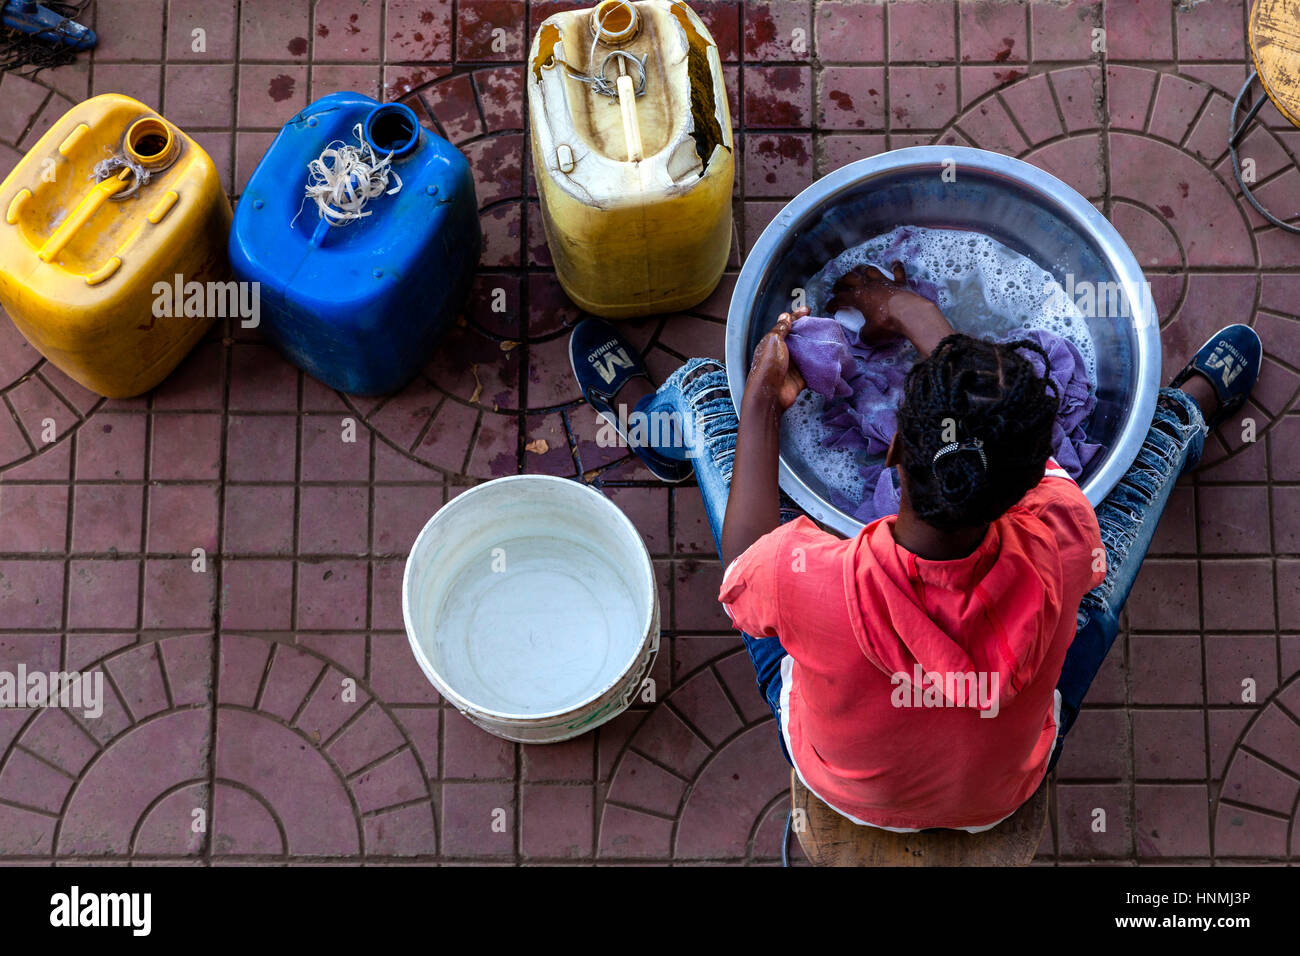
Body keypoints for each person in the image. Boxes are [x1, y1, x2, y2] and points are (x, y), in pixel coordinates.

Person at [568, 264, 1262, 832]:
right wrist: (901, 305)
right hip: (1001, 792)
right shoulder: (1063, 521)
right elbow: (1000, 426)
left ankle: (656, 423)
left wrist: (758, 405)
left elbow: (745, 569)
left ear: (893, 450)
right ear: (1033, 478)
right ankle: (1181, 416)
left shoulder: (809, 578)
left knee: (700, 388)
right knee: (1107, 556)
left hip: (840, 782)